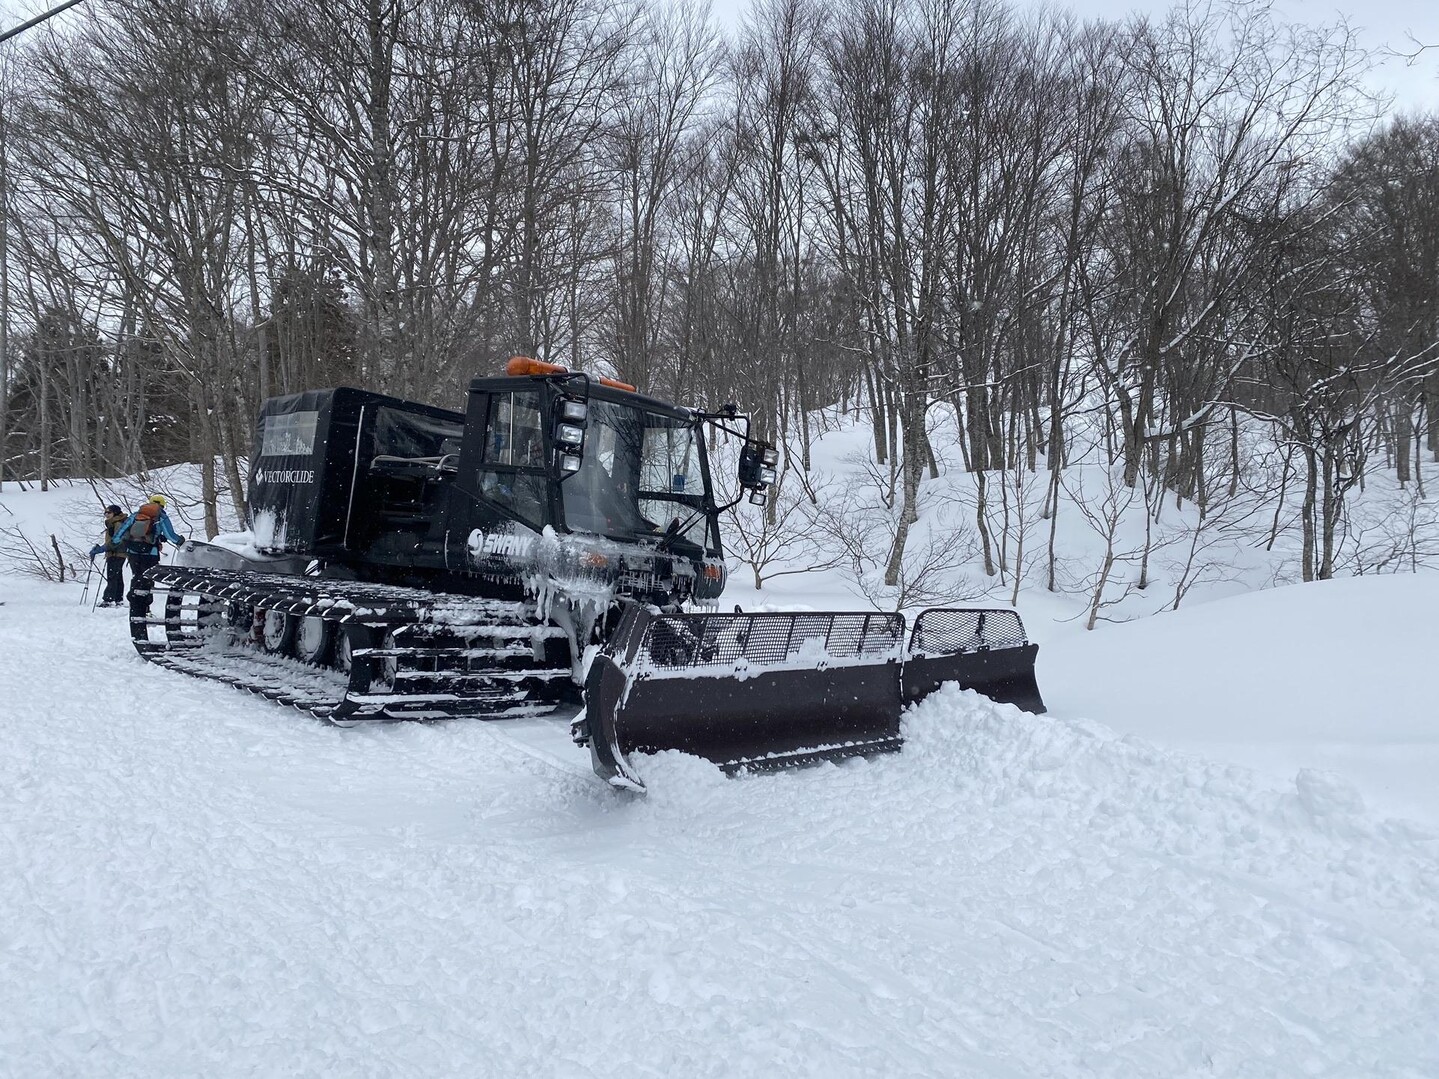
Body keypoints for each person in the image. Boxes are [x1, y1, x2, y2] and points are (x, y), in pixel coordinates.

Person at [110, 494, 186, 621]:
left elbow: (122, 531)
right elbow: (170, 535)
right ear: (162, 505)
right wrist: (180, 541)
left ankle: (134, 606)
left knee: (136, 577)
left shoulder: (136, 515)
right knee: (147, 579)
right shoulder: (161, 517)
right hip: (150, 553)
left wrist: (114, 542)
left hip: (133, 552)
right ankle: (145, 609)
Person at [87, 504, 130, 606]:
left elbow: (117, 540)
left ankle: (109, 599)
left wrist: (104, 548)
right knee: (117, 576)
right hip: (118, 553)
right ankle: (118, 599)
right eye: (105, 512)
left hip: (116, 553)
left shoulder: (117, 523)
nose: (106, 514)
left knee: (112, 576)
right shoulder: (115, 523)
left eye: (109, 512)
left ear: (115, 513)